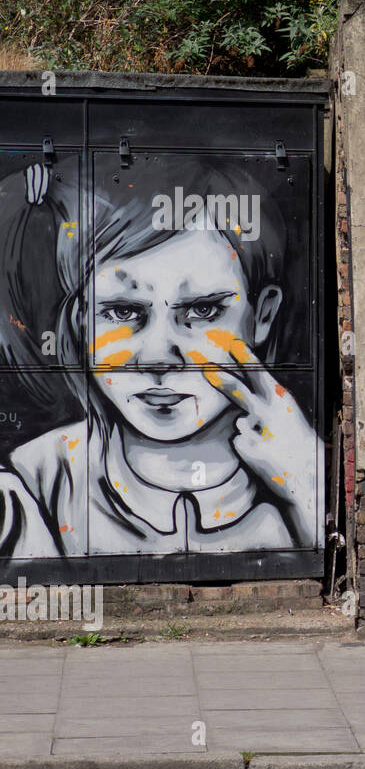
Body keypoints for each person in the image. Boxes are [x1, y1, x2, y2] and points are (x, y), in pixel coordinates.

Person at [0, 160, 322, 558]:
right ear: (81, 322)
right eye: (121, 312)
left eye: (202, 311)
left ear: (264, 314)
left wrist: (307, 478)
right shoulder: (33, 485)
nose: (158, 357)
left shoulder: (305, 477)